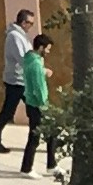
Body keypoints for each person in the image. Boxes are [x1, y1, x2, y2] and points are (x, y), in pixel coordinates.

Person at [0, 8, 35, 152]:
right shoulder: (15, 36)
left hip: (22, 80)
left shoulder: (20, 36)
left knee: (13, 111)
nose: (30, 26)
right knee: (12, 111)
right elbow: (22, 58)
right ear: (23, 22)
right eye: (29, 23)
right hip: (17, 80)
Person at [17, 30, 53, 176]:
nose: (48, 52)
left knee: (51, 135)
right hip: (38, 105)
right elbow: (39, 88)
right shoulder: (36, 65)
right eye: (48, 49)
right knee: (35, 138)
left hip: (31, 103)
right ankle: (27, 168)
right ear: (41, 48)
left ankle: (52, 165)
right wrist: (44, 105)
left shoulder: (30, 60)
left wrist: (44, 71)